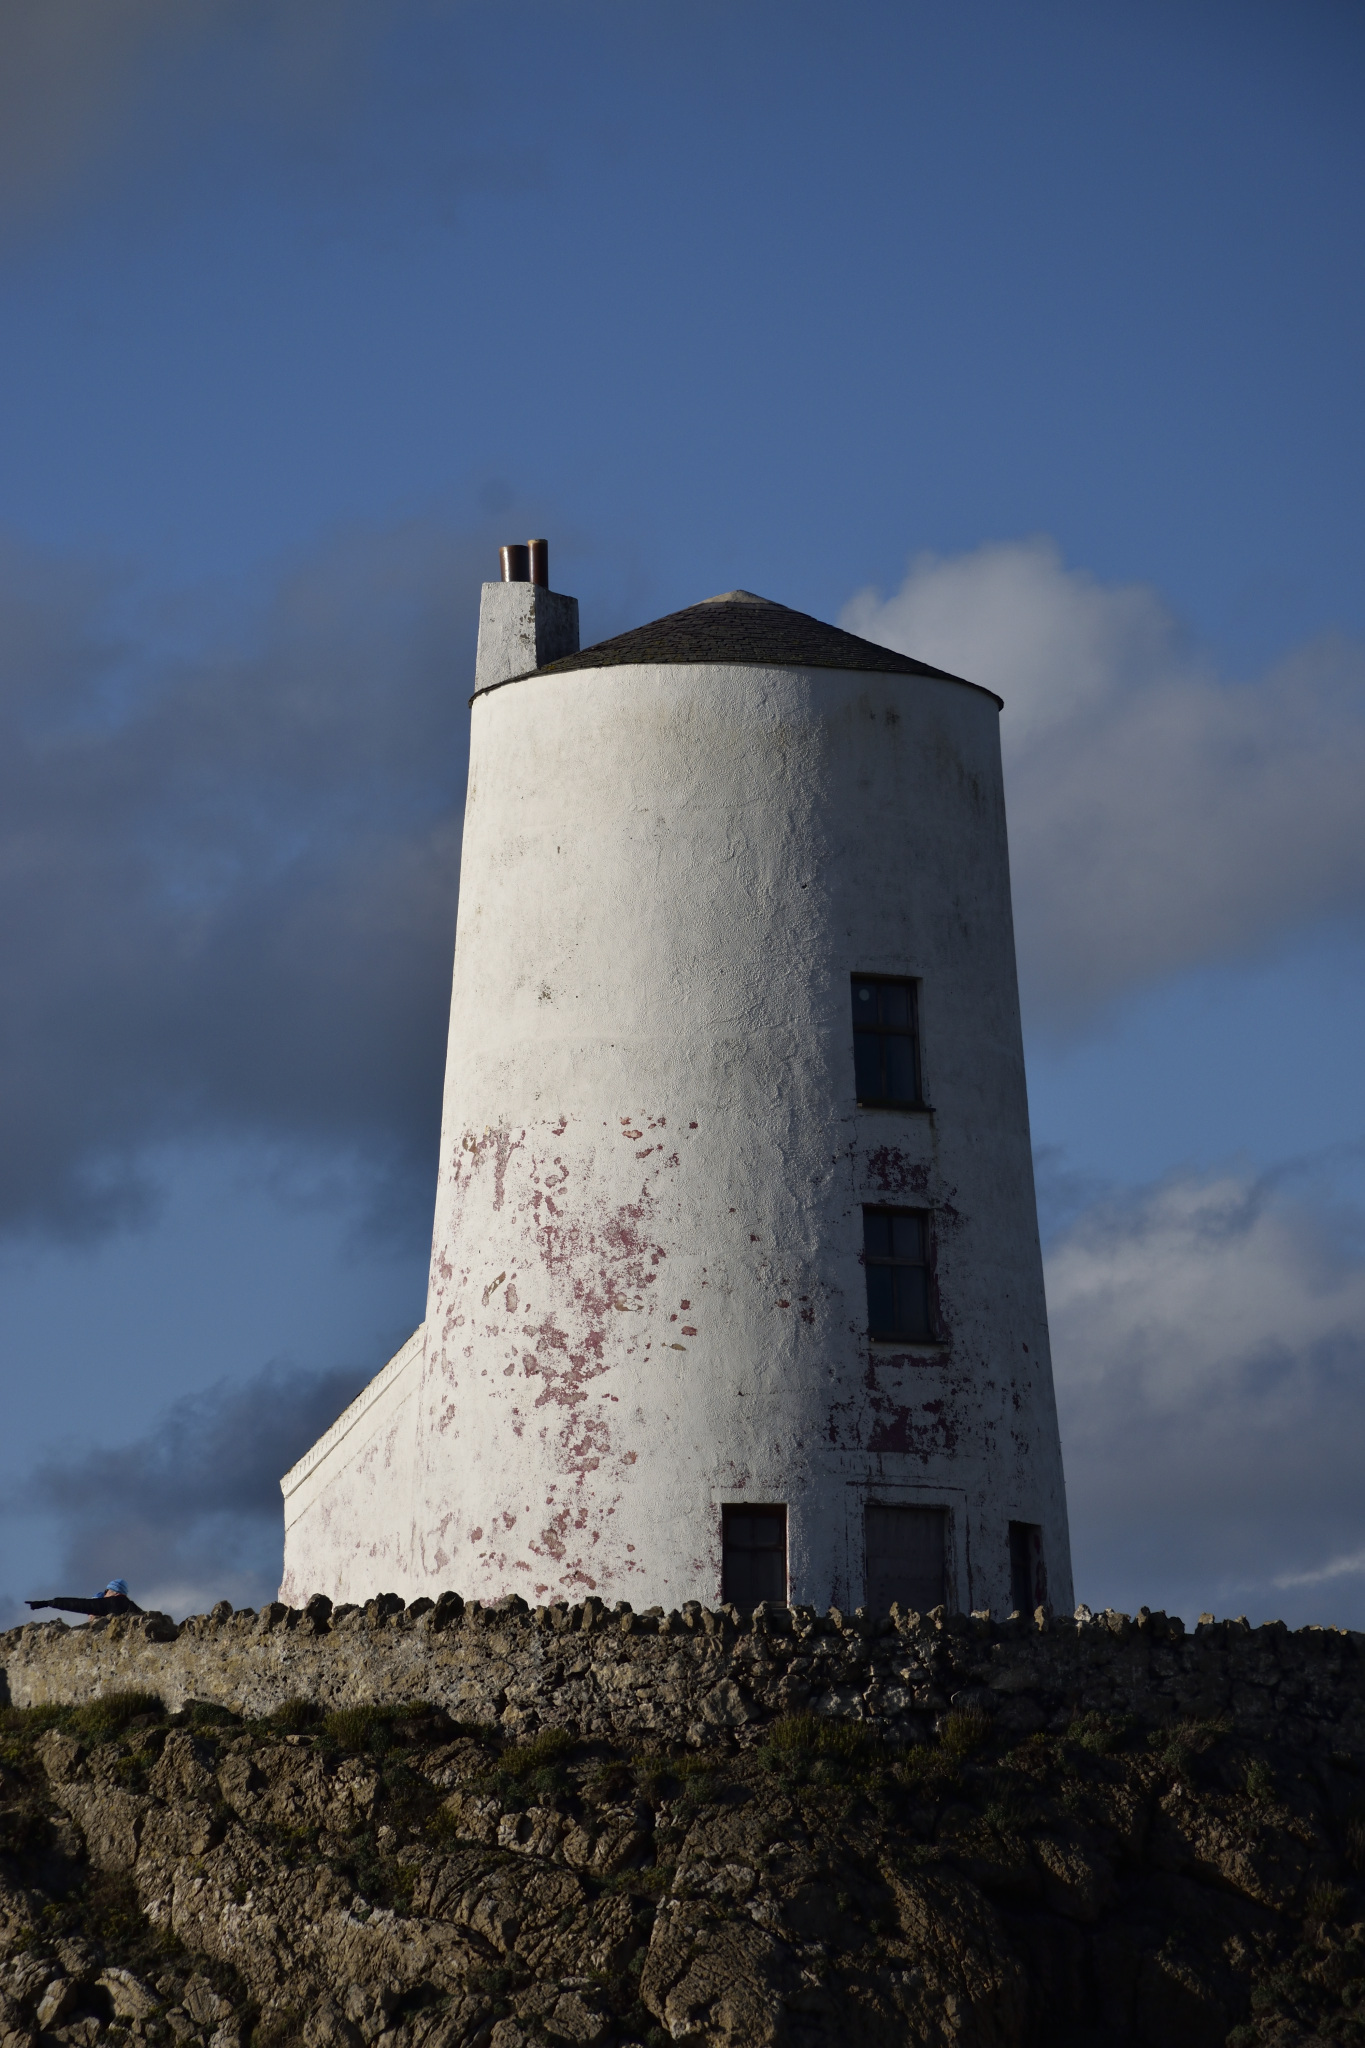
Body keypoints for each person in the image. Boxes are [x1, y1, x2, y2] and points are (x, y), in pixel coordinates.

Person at [26, 1580, 143, 1620]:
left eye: (106, 1592)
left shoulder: (112, 1602)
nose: (105, 1595)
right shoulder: (134, 1608)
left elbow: (78, 1604)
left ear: (115, 1592)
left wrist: (47, 1603)